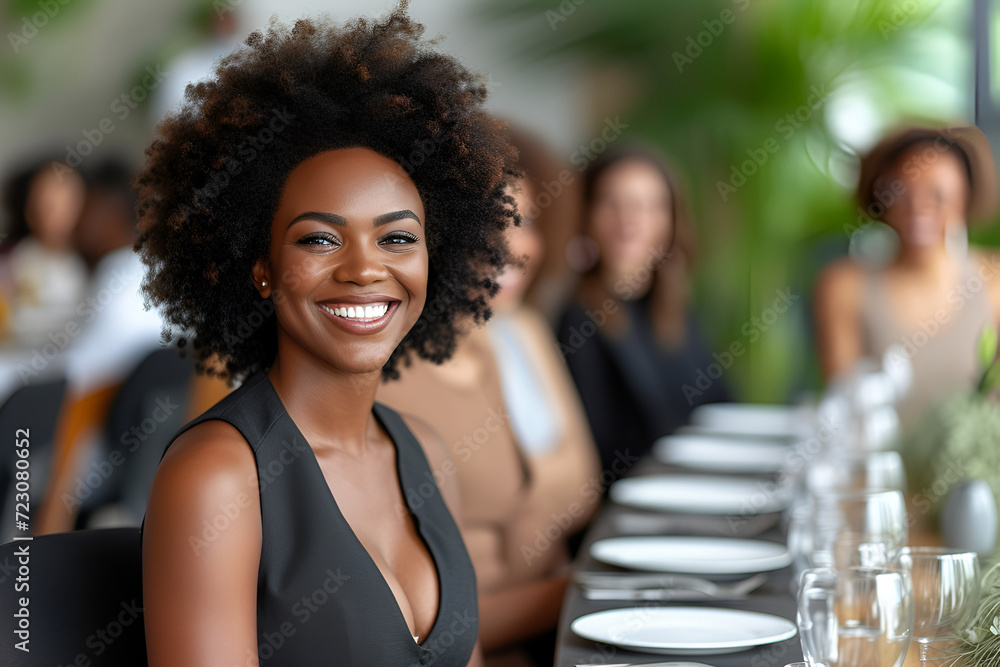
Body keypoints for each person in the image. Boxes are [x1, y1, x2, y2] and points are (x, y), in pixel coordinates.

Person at [138, 6, 519, 665]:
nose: (367, 268)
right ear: (259, 269)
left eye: (398, 237)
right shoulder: (217, 479)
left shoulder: (423, 453)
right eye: (319, 238)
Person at [378, 164, 600, 664]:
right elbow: (421, 630)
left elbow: (583, 489)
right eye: (489, 226)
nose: (510, 247)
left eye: (523, 222)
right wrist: (581, 595)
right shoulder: (384, 379)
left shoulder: (489, 348)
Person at [557, 145, 731, 476]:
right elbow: (605, 452)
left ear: (672, 218)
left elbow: (720, 404)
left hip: (695, 485)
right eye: (612, 203)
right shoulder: (577, 320)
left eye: (650, 206)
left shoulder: (676, 307)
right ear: (587, 214)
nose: (630, 221)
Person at [814, 125, 1000, 429]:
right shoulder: (844, 284)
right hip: (878, 468)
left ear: (965, 198)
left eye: (937, 195)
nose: (918, 209)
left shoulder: (994, 280)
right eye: (901, 193)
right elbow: (844, 403)